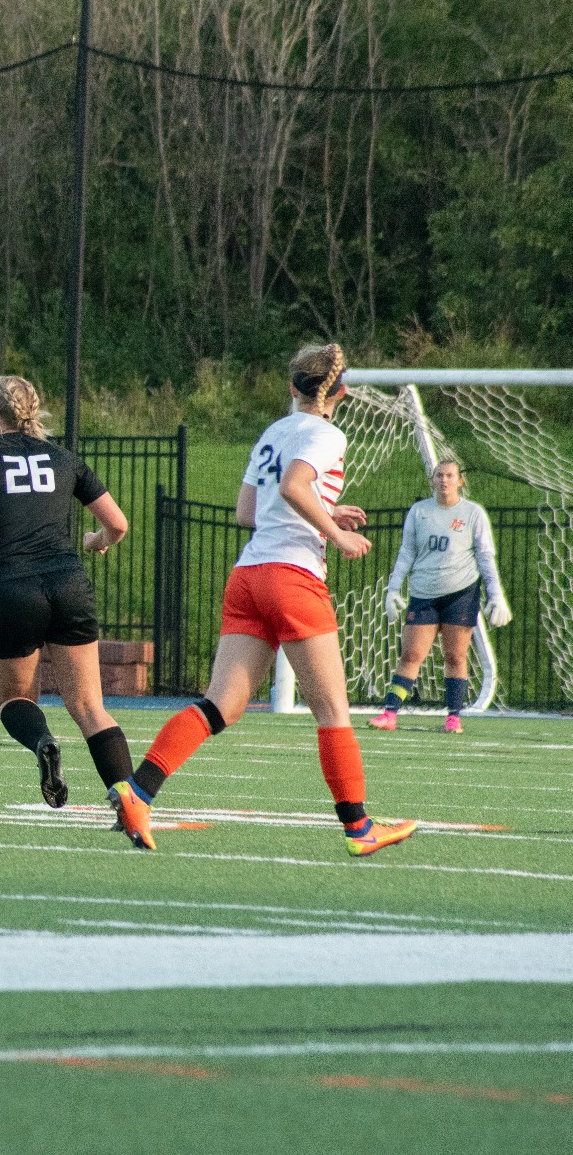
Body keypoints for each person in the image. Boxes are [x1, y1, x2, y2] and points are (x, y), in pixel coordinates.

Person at [111, 343, 418, 857]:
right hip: (292, 577)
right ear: (338, 392)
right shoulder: (327, 432)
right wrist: (335, 533)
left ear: (291, 388)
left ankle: (138, 791)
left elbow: (248, 511)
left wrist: (328, 510)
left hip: (249, 574)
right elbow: (298, 488)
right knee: (333, 710)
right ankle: (360, 827)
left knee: (221, 705)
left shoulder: (273, 431)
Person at [0, 375, 134, 809]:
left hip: (11, 586)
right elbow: (119, 523)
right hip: (67, 583)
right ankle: (132, 801)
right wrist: (98, 542)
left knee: (14, 698)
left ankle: (43, 742)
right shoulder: (64, 458)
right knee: (90, 707)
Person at [370, 459, 512, 733]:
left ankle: (453, 717)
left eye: (450, 475)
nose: (444, 480)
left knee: (455, 657)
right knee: (410, 654)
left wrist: (496, 594)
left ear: (460, 481)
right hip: (423, 593)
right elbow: (407, 551)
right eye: (439, 475)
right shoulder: (419, 511)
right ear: (432, 481)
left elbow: (485, 555)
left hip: (461, 593)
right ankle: (389, 714)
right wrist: (393, 589)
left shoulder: (473, 513)